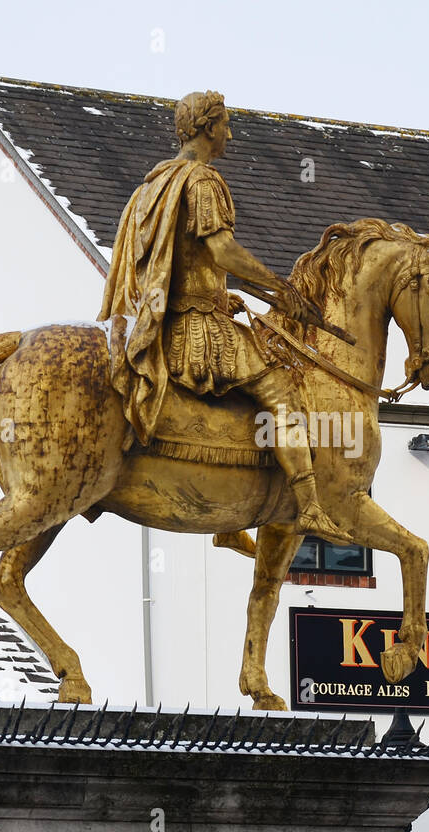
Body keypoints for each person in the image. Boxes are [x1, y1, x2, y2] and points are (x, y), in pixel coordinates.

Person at [98, 90, 348, 544]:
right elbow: (221, 250)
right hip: (195, 331)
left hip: (166, 319)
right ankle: (309, 507)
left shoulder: (150, 186)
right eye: (226, 124)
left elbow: (178, 264)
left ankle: (232, 517)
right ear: (209, 126)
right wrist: (281, 287)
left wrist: (221, 293)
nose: (230, 133)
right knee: (283, 391)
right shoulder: (202, 181)